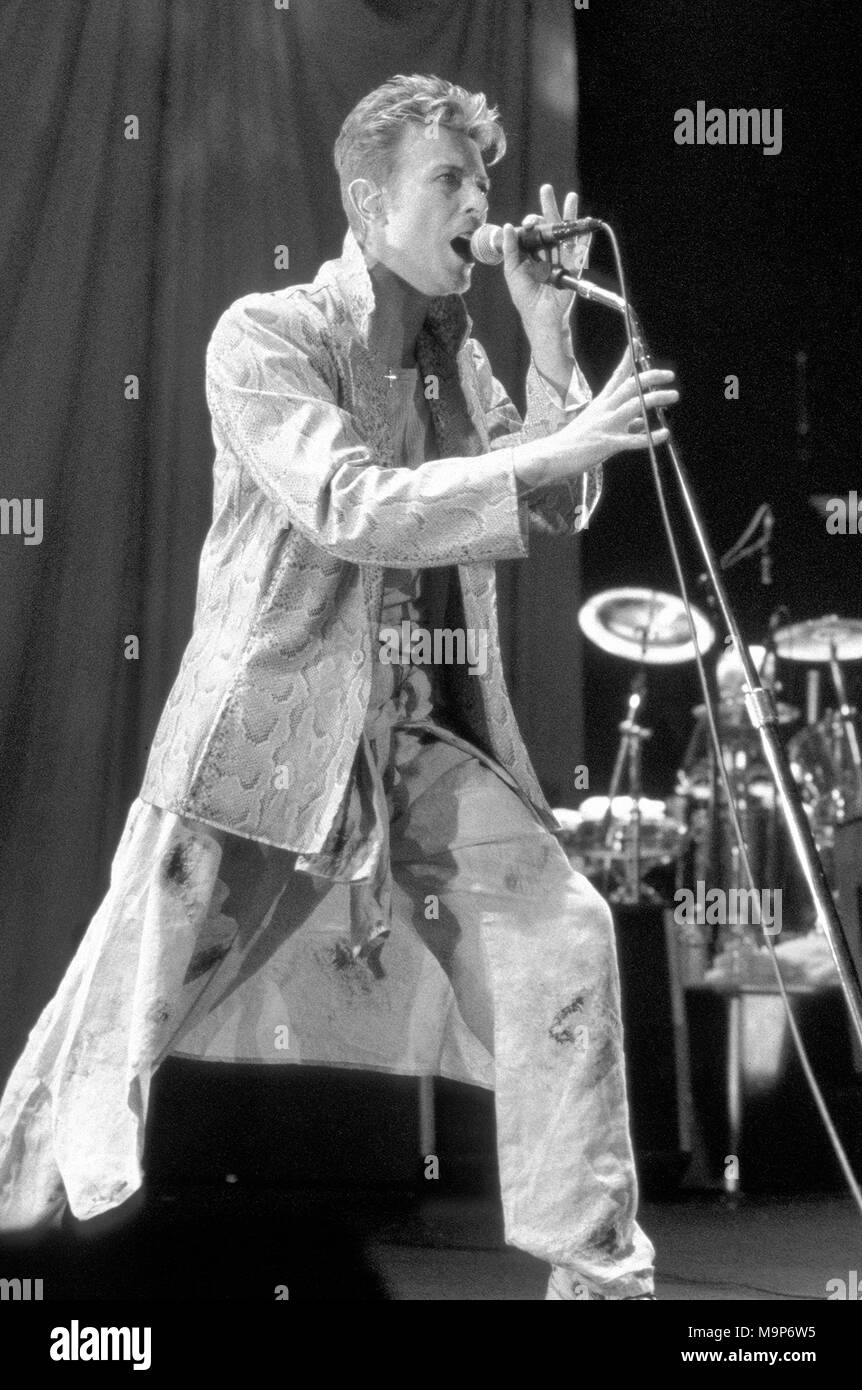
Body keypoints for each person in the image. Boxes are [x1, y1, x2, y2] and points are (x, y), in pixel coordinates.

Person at [0, 74, 677, 1300]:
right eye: (449, 180)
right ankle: (18, 1241)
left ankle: (597, 1277)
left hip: (413, 745)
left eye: (483, 177)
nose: (480, 204)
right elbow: (349, 505)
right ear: (368, 205)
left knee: (561, 930)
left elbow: (559, 496)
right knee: (119, 1022)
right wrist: (556, 445)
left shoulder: (457, 352)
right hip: (262, 745)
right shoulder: (264, 336)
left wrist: (544, 339)